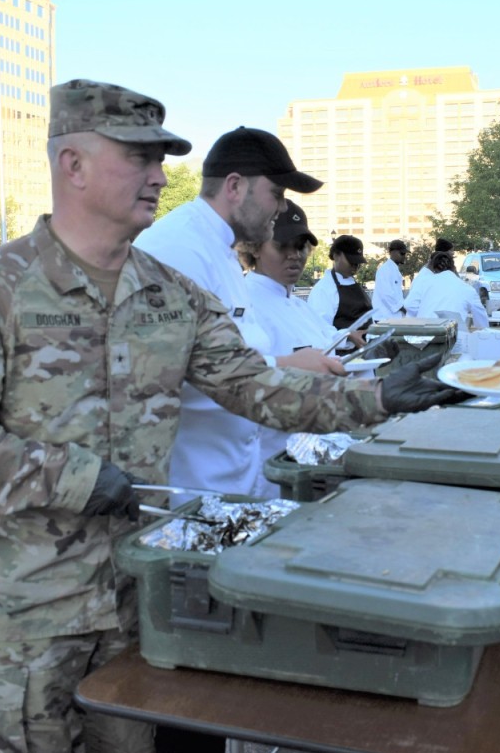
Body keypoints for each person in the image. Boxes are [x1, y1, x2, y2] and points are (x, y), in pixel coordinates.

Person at [0, 79, 460, 753]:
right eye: (139, 157)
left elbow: (255, 388)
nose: (162, 176)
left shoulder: (170, 296)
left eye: (163, 158)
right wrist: (71, 478)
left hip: (135, 609)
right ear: (72, 166)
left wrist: (379, 398)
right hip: (18, 623)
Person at [134, 126, 342, 497]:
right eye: (276, 194)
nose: (281, 208)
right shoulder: (177, 249)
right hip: (192, 496)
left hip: (239, 481)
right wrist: (288, 368)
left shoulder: (222, 250)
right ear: (234, 186)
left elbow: (230, 354)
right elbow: (172, 374)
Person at [240, 201, 364, 494]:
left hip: (315, 454)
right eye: (283, 245)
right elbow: (241, 379)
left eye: (302, 246)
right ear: (256, 248)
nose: (295, 255)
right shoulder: (244, 304)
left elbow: (329, 344)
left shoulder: (297, 304)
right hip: (274, 467)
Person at [307, 234, 371, 330]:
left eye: (358, 263)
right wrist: (348, 336)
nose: (356, 266)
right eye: (352, 261)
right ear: (336, 256)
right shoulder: (323, 289)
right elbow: (320, 329)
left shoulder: (353, 283)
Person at [414, 251, 490, 330]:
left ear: (433, 269)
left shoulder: (424, 283)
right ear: (454, 268)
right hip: (451, 337)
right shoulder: (468, 289)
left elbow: (411, 305)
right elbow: (482, 322)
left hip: (422, 334)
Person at [404, 237, 454, 316]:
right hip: (419, 324)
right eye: (451, 252)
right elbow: (410, 305)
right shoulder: (425, 278)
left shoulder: (432, 276)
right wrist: (427, 314)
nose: (453, 253)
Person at [371, 239, 408, 320]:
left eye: (405, 254)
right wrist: (402, 308)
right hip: (383, 318)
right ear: (392, 252)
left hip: (391, 317)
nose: (404, 256)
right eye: (402, 253)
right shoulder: (385, 269)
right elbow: (386, 294)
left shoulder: (394, 269)